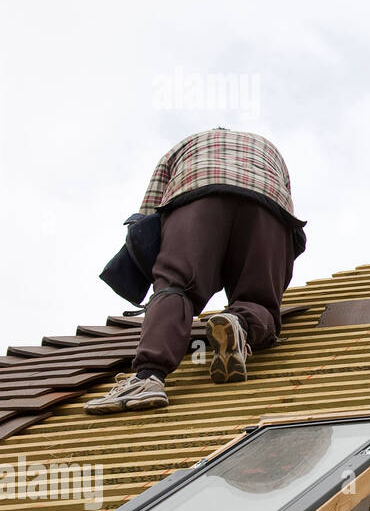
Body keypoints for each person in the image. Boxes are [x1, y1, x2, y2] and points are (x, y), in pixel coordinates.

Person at [85, 127, 306, 415]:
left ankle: (148, 376)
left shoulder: (183, 148)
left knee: (177, 286)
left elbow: (147, 218)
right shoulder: (269, 148)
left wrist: (157, 269)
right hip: (268, 207)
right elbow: (286, 208)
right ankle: (239, 323)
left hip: (198, 196)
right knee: (259, 300)